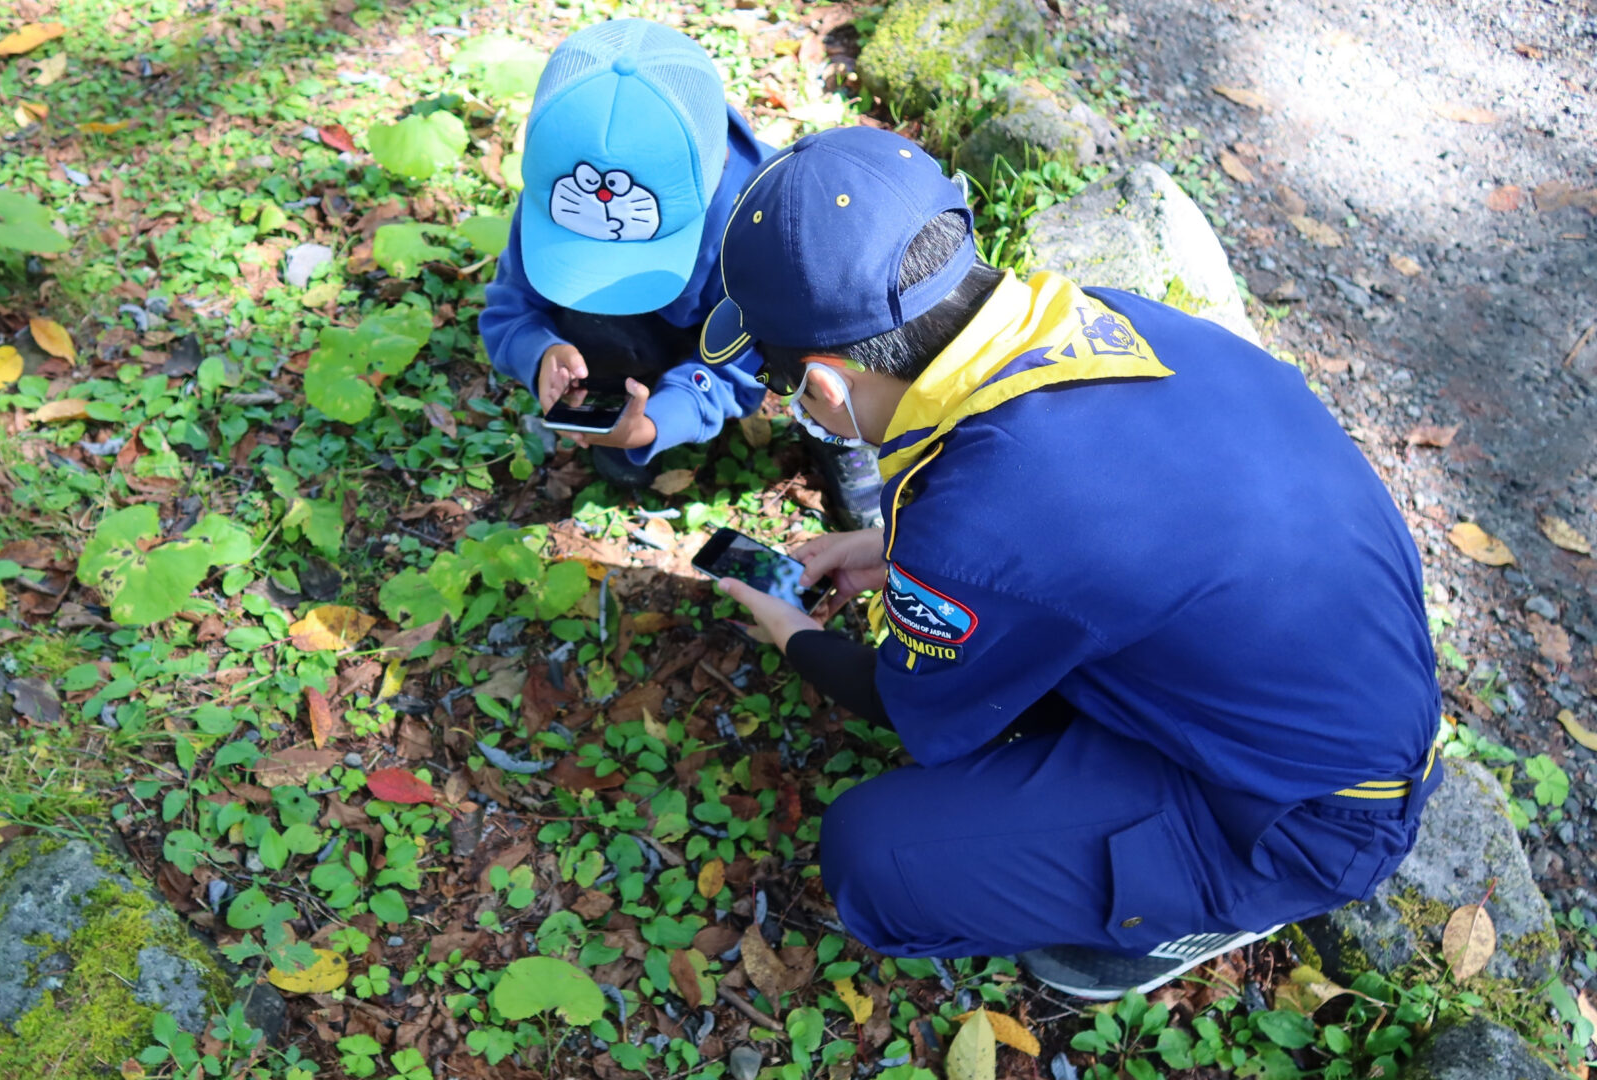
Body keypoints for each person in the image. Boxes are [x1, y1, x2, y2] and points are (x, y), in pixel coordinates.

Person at [700, 126, 1442, 999]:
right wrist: (900, 546)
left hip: (1308, 817)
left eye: (793, 388)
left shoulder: (980, 526)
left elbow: (906, 703)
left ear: (825, 387)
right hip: (1349, 693)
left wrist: (790, 629)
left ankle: (1217, 900)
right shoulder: (1108, 315)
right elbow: (1106, 517)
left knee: (875, 855)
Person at [478, 18, 883, 525]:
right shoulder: (564, 195)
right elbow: (512, 306)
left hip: (754, 310)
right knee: (598, 351)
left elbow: (740, 369)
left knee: (819, 333)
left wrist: (659, 420)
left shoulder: (765, 227)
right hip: (656, 328)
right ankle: (617, 404)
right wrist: (541, 354)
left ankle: (837, 428)